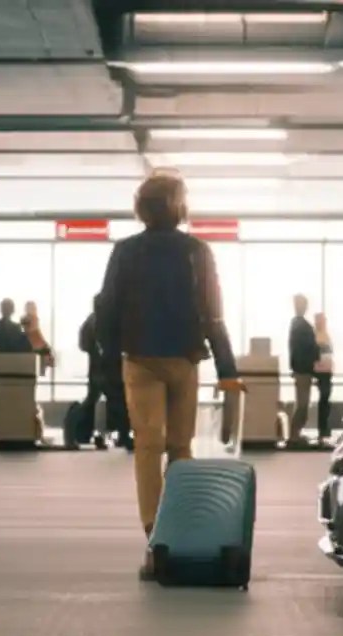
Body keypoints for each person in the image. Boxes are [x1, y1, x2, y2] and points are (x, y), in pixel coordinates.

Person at [96, 172, 242, 579]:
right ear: (178, 205)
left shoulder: (125, 251)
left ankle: (154, 535)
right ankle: (179, 532)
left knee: (148, 444)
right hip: (184, 360)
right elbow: (213, 314)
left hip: (139, 360)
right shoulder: (197, 251)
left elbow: (107, 308)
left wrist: (107, 368)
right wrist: (227, 370)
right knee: (180, 447)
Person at [79, 294, 132, 449]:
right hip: (111, 369)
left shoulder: (89, 321)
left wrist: (93, 352)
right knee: (118, 401)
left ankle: (84, 433)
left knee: (92, 401)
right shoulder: (109, 322)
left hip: (95, 369)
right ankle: (123, 435)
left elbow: (83, 344)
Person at [287, 294, 319, 446]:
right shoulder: (302, 326)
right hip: (303, 370)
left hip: (300, 369)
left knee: (301, 403)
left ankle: (295, 434)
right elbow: (307, 348)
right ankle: (294, 435)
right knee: (302, 404)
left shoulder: (296, 324)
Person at [312, 312, 334, 444]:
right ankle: (323, 429)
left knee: (325, 401)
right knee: (324, 400)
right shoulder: (317, 336)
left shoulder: (325, 335)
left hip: (327, 371)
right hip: (321, 372)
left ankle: (324, 429)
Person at [21, 301, 55, 375]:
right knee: (45, 358)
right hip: (35, 345)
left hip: (38, 345)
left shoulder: (33, 318)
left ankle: (43, 371)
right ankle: (42, 372)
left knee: (46, 358)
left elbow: (33, 331)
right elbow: (31, 331)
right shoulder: (28, 319)